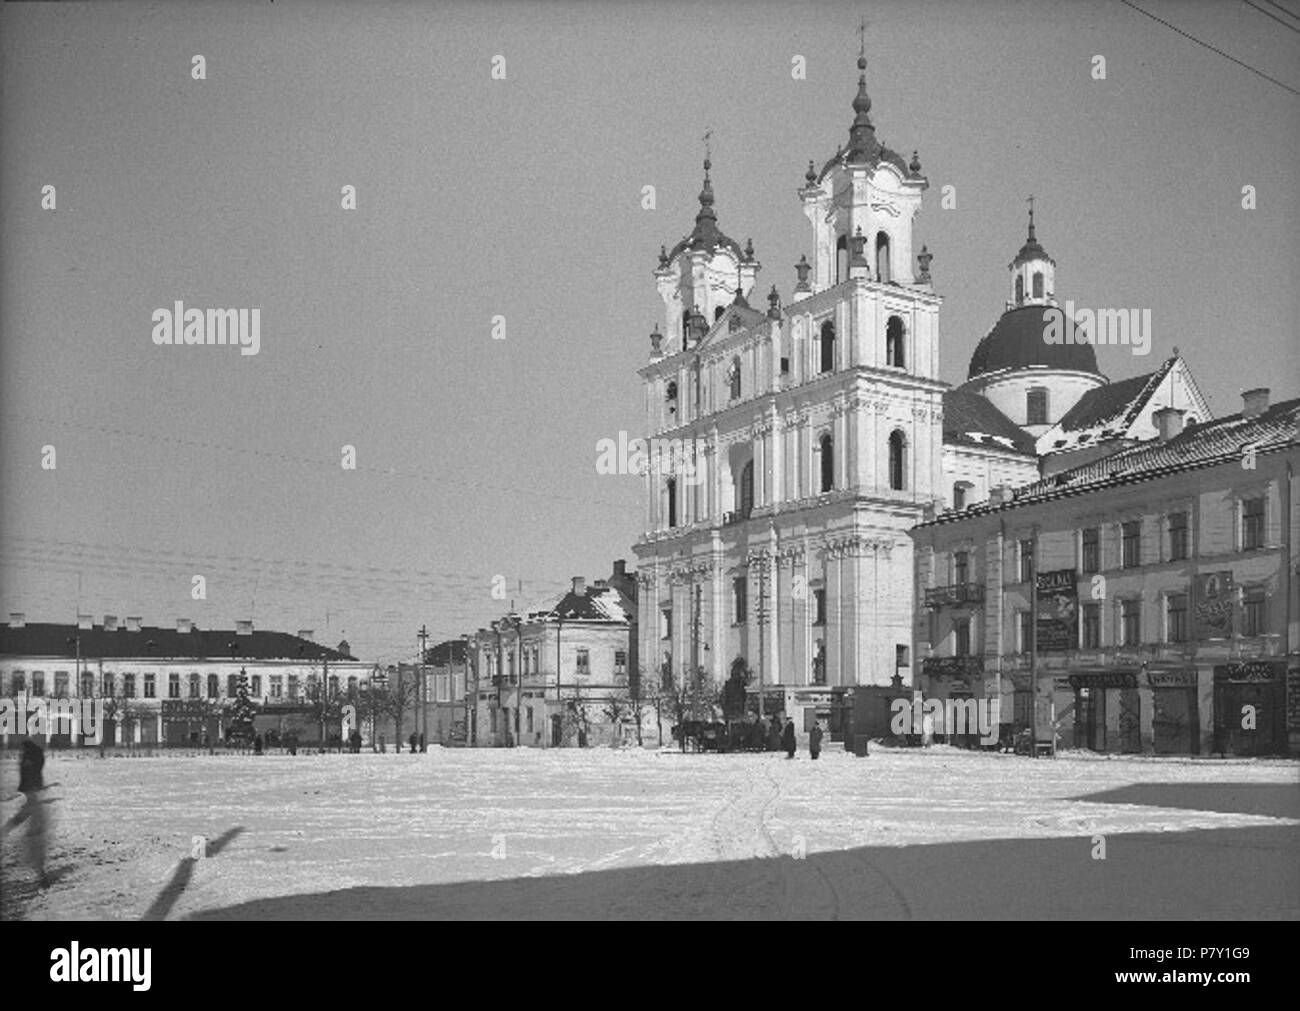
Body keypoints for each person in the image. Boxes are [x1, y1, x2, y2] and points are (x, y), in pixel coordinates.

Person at [3, 741, 55, 888]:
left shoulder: (31, 760)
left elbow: (25, 813)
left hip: (33, 800)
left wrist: (8, 827)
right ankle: (41, 874)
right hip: (33, 796)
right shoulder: (33, 758)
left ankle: (41, 875)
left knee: (35, 843)